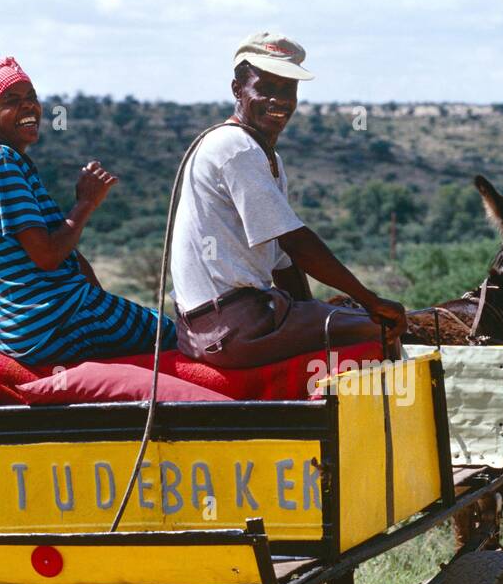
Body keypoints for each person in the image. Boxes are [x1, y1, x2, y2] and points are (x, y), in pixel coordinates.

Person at [169, 32, 406, 368]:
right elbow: (296, 242)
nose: (278, 101)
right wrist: (370, 301)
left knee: (340, 315)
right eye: (265, 88)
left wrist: (310, 311)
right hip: (232, 327)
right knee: (381, 328)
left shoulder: (263, 154)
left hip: (230, 321)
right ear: (237, 90)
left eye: (287, 90)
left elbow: (285, 261)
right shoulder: (236, 148)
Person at [0, 56, 176, 366]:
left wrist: (104, 304)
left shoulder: (0, 160)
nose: (29, 107)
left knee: (152, 326)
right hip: (48, 322)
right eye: (12, 100)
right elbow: (47, 255)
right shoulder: (1, 161)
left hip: (42, 320)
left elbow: (65, 253)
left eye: (31, 97)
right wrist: (86, 203)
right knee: (172, 335)